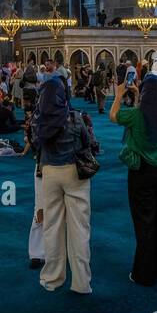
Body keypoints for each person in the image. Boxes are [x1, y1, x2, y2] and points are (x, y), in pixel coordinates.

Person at [110, 68, 157, 286]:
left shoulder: (136, 116)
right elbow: (151, 112)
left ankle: (144, 273)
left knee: (145, 222)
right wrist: (139, 96)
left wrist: (119, 94)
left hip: (143, 173)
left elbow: (114, 116)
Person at [34, 72, 92, 294]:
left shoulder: (41, 120)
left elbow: (36, 143)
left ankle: (52, 278)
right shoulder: (75, 117)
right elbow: (87, 143)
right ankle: (81, 282)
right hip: (74, 174)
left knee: (52, 227)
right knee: (79, 228)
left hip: (49, 173)